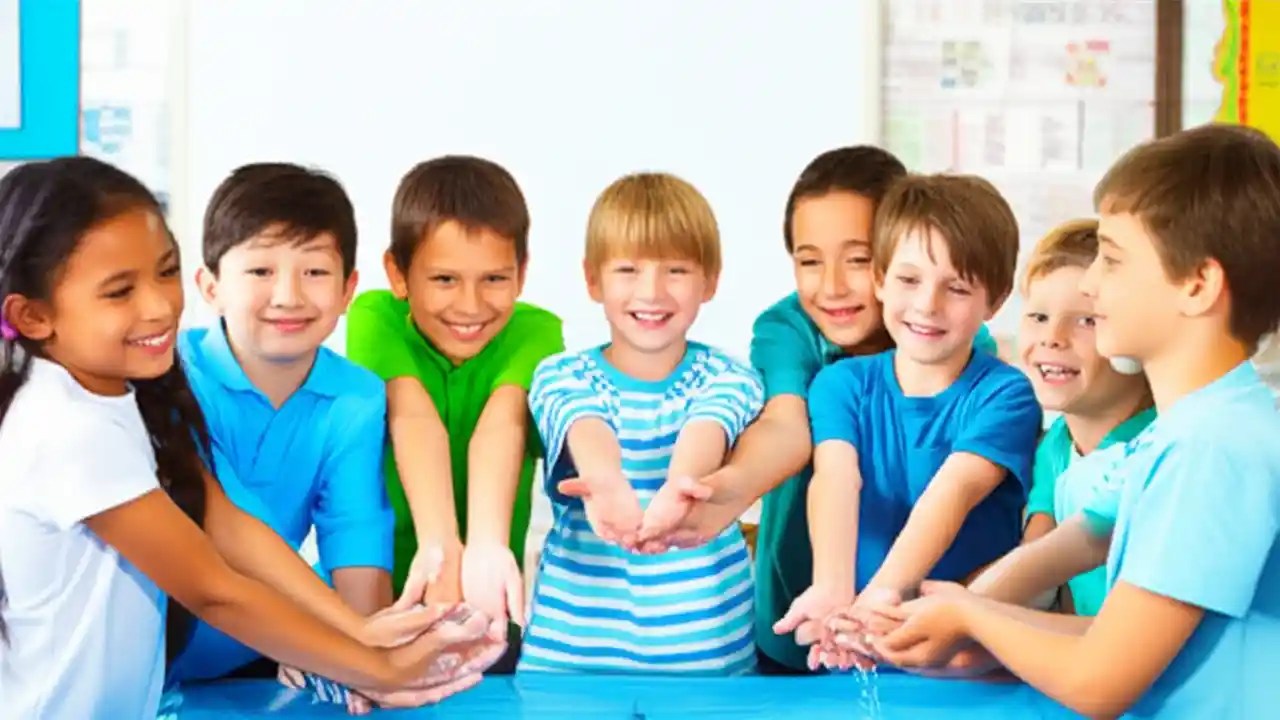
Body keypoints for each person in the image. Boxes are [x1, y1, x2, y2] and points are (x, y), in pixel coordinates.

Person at [0, 157, 494, 719]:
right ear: (34, 316)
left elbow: (229, 522)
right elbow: (214, 587)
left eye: (164, 272)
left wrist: (358, 632)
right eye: (119, 291)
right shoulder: (68, 427)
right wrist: (376, 668)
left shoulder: (124, 396)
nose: (160, 306)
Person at [874, 124, 1280, 718]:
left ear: (1198, 285)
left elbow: (1099, 683)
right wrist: (979, 628)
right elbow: (1114, 637)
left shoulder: (1211, 447)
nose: (1091, 284)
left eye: (1111, 261)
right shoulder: (1194, 430)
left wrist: (970, 615)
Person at [626, 147, 997, 673]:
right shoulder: (790, 328)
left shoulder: (954, 338)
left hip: (922, 619)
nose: (832, 286)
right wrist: (729, 490)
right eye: (809, 261)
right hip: (803, 616)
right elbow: (787, 424)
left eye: (858, 258)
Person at [776, 173, 1042, 671]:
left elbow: (953, 492)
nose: (927, 305)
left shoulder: (1006, 394)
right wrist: (833, 589)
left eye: (957, 287)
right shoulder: (841, 384)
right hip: (859, 644)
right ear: (879, 278)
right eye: (908, 279)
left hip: (965, 657)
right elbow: (836, 477)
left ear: (998, 299)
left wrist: (878, 597)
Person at [519, 172, 763, 674]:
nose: (651, 292)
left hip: (707, 660)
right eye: (628, 270)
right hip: (571, 659)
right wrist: (605, 481)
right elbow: (585, 423)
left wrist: (681, 486)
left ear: (710, 281)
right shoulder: (559, 373)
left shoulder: (732, 375)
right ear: (593, 280)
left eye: (676, 270)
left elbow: (708, 426)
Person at [167, 163, 396, 685]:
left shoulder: (357, 398)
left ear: (348, 288)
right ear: (210, 286)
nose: (288, 296)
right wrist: (337, 640)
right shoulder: (173, 375)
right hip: (142, 651)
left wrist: (364, 656)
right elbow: (224, 526)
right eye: (260, 272)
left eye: (315, 272)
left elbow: (355, 531)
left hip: (253, 655)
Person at [345, 156, 565, 671]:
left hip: (485, 609)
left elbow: (504, 420)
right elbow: (410, 414)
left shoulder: (538, 331)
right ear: (398, 274)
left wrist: (485, 548)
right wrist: (442, 546)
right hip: (382, 608)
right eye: (444, 279)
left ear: (522, 273)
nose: (470, 305)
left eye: (494, 278)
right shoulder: (374, 316)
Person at [1014, 218, 1153, 615]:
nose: (1052, 337)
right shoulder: (1055, 443)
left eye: (1087, 320)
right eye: (1038, 317)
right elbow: (1033, 570)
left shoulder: (1157, 444)